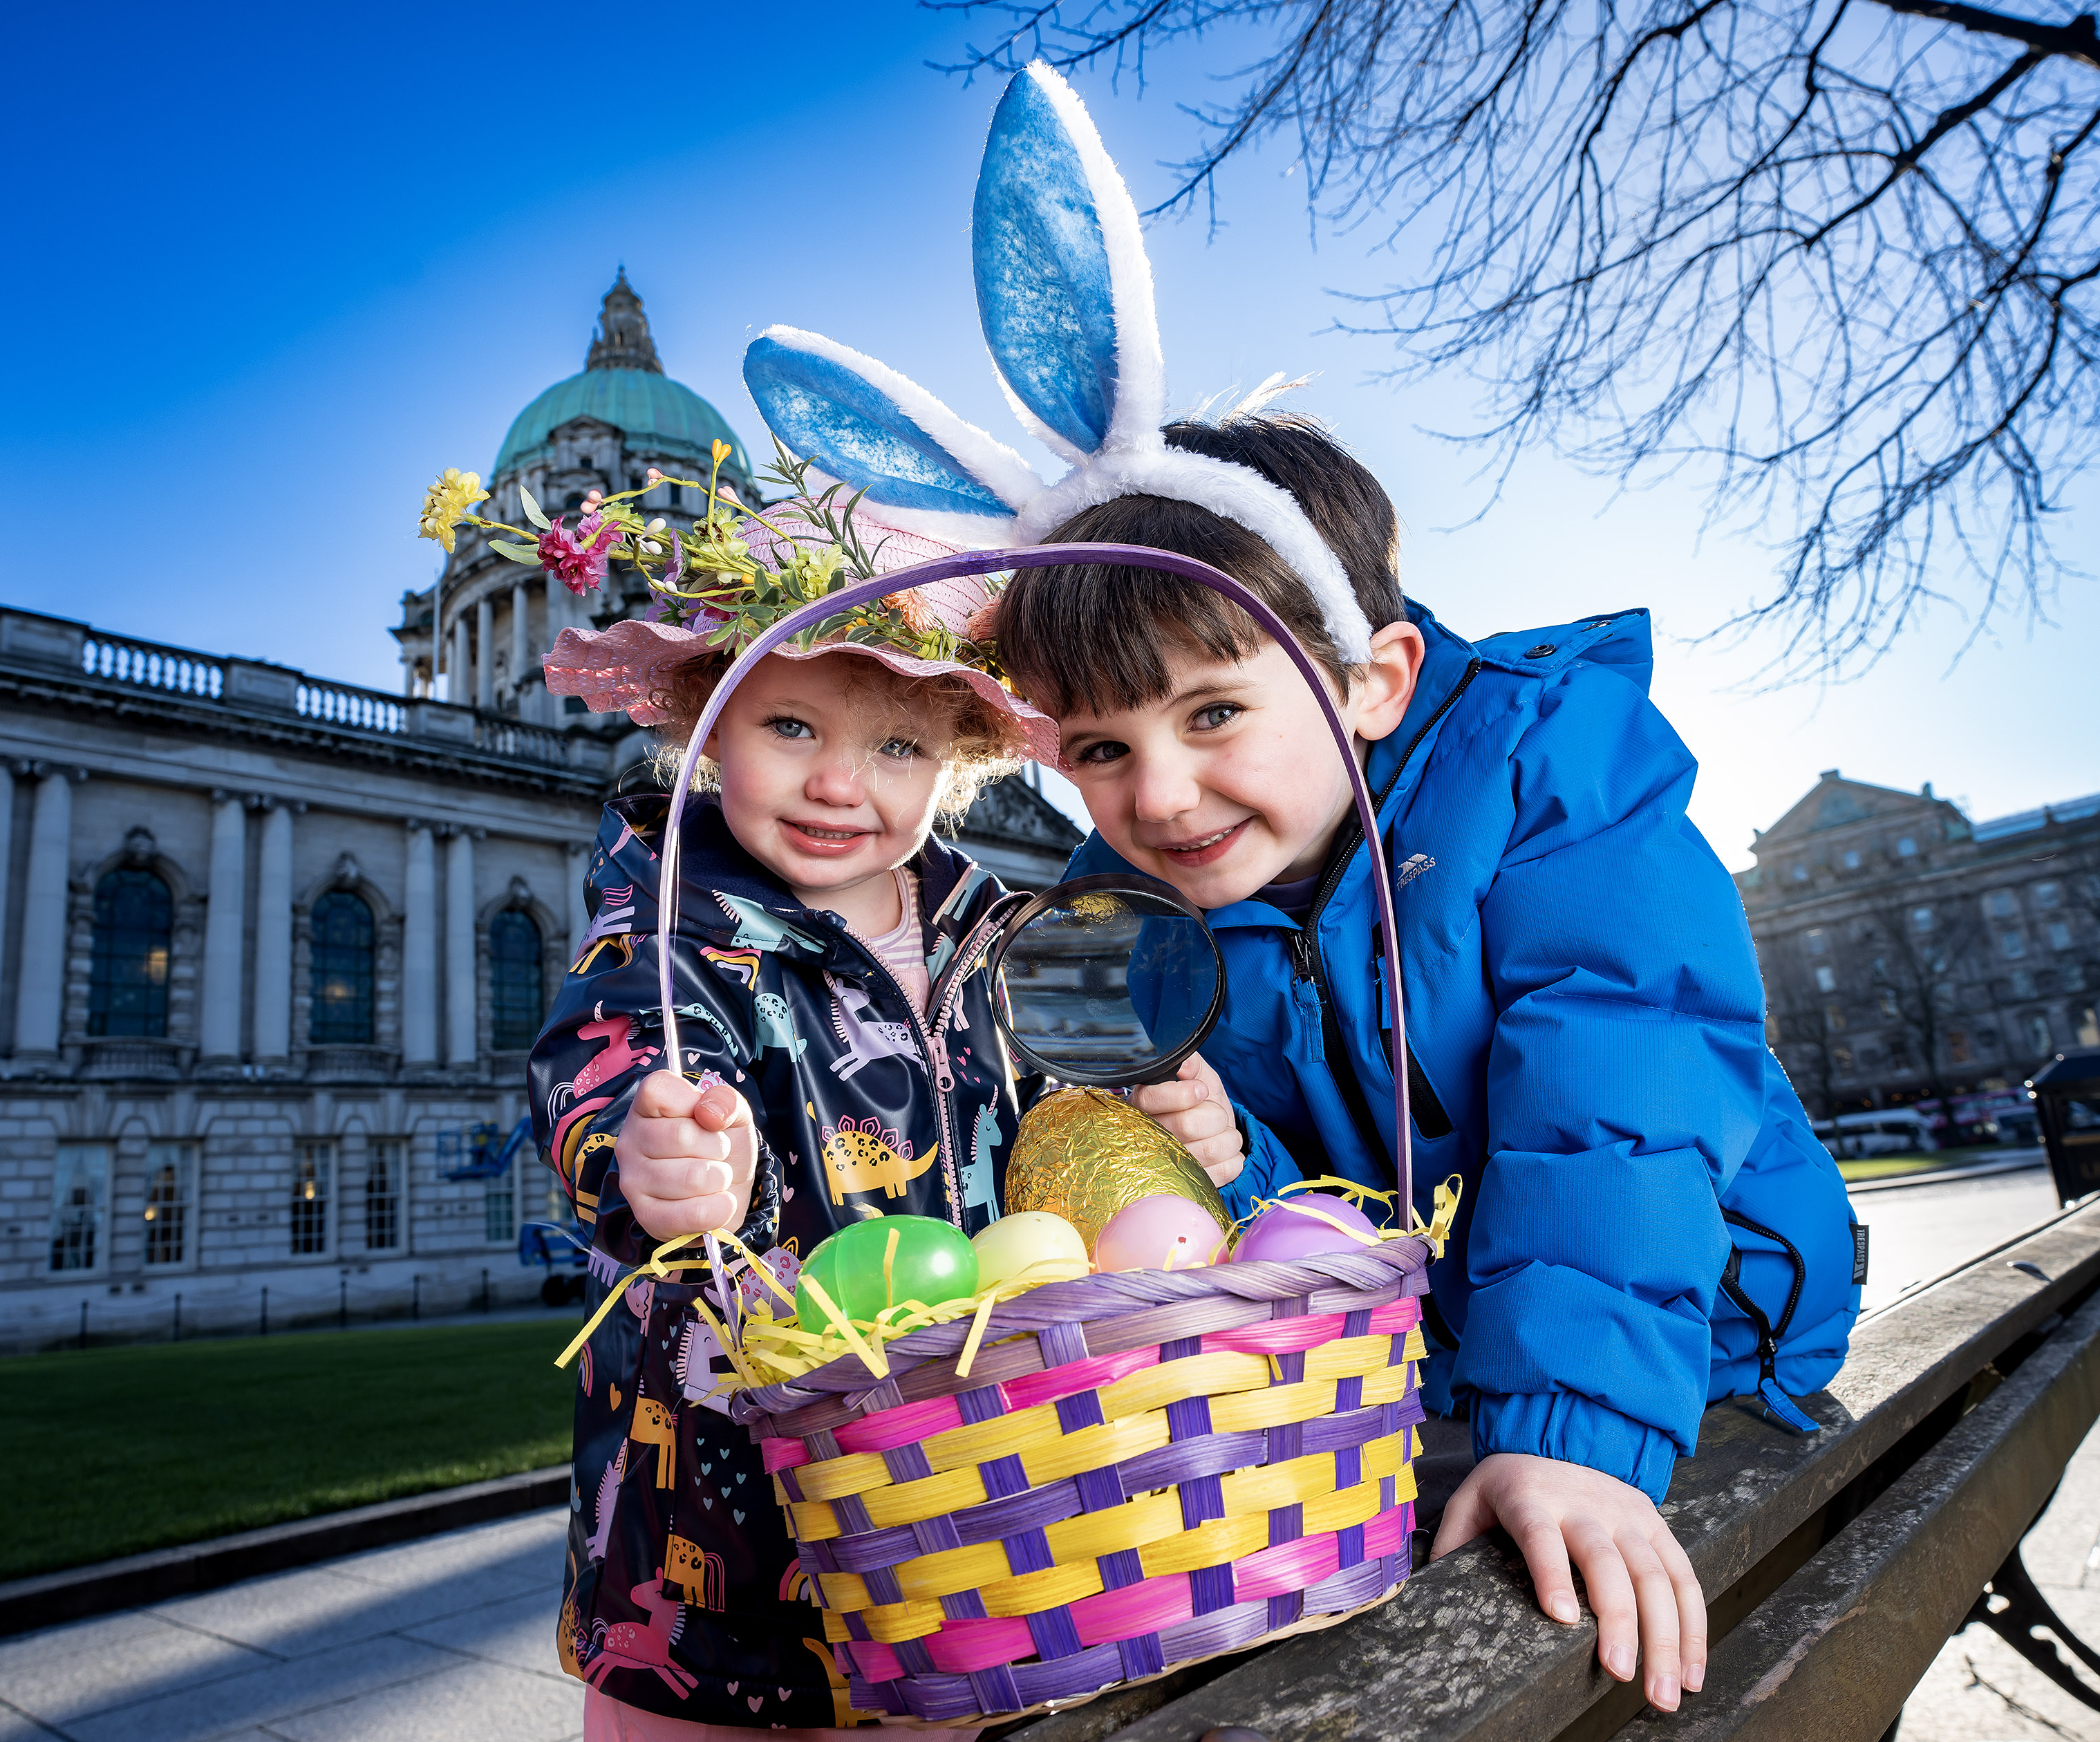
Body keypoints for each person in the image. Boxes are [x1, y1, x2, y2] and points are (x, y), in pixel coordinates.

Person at [739, 62, 1862, 1718]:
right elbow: (1333, 1201)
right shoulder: (1188, 931)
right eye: (1103, 750)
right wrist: (1231, 1163)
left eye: (1212, 715)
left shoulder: (1557, 773)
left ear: (1372, 680)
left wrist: (1569, 1438)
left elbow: (1616, 1095)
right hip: (1462, 1368)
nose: (1162, 795)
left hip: (1698, 1346)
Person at [520, 478, 1127, 1741]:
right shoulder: (665, 921)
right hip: (717, 1558)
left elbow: (1034, 1145)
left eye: (898, 746)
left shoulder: (980, 926)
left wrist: (1150, 1145)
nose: (841, 784)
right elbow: (602, 1066)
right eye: (792, 725)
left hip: (952, 1527)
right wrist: (643, 1153)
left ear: (953, 761)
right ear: (706, 717)